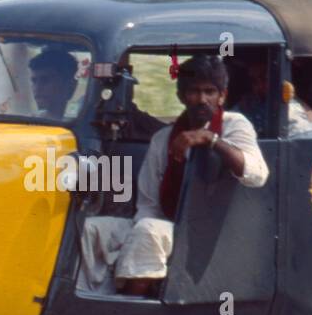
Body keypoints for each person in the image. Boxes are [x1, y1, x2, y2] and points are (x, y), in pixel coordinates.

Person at [81, 54, 270, 296]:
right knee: (91, 229)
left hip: (210, 233)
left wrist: (210, 139)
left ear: (222, 95)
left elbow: (256, 174)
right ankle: (91, 299)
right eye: (194, 92)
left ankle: (132, 311)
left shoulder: (234, 125)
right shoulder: (163, 139)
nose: (202, 99)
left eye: (210, 91)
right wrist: (132, 239)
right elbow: (148, 205)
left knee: (148, 231)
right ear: (181, 96)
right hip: (166, 225)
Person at [28, 47, 79, 120]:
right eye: (34, 81)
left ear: (70, 86)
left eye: (45, 80)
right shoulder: (27, 124)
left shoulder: (81, 126)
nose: (37, 88)